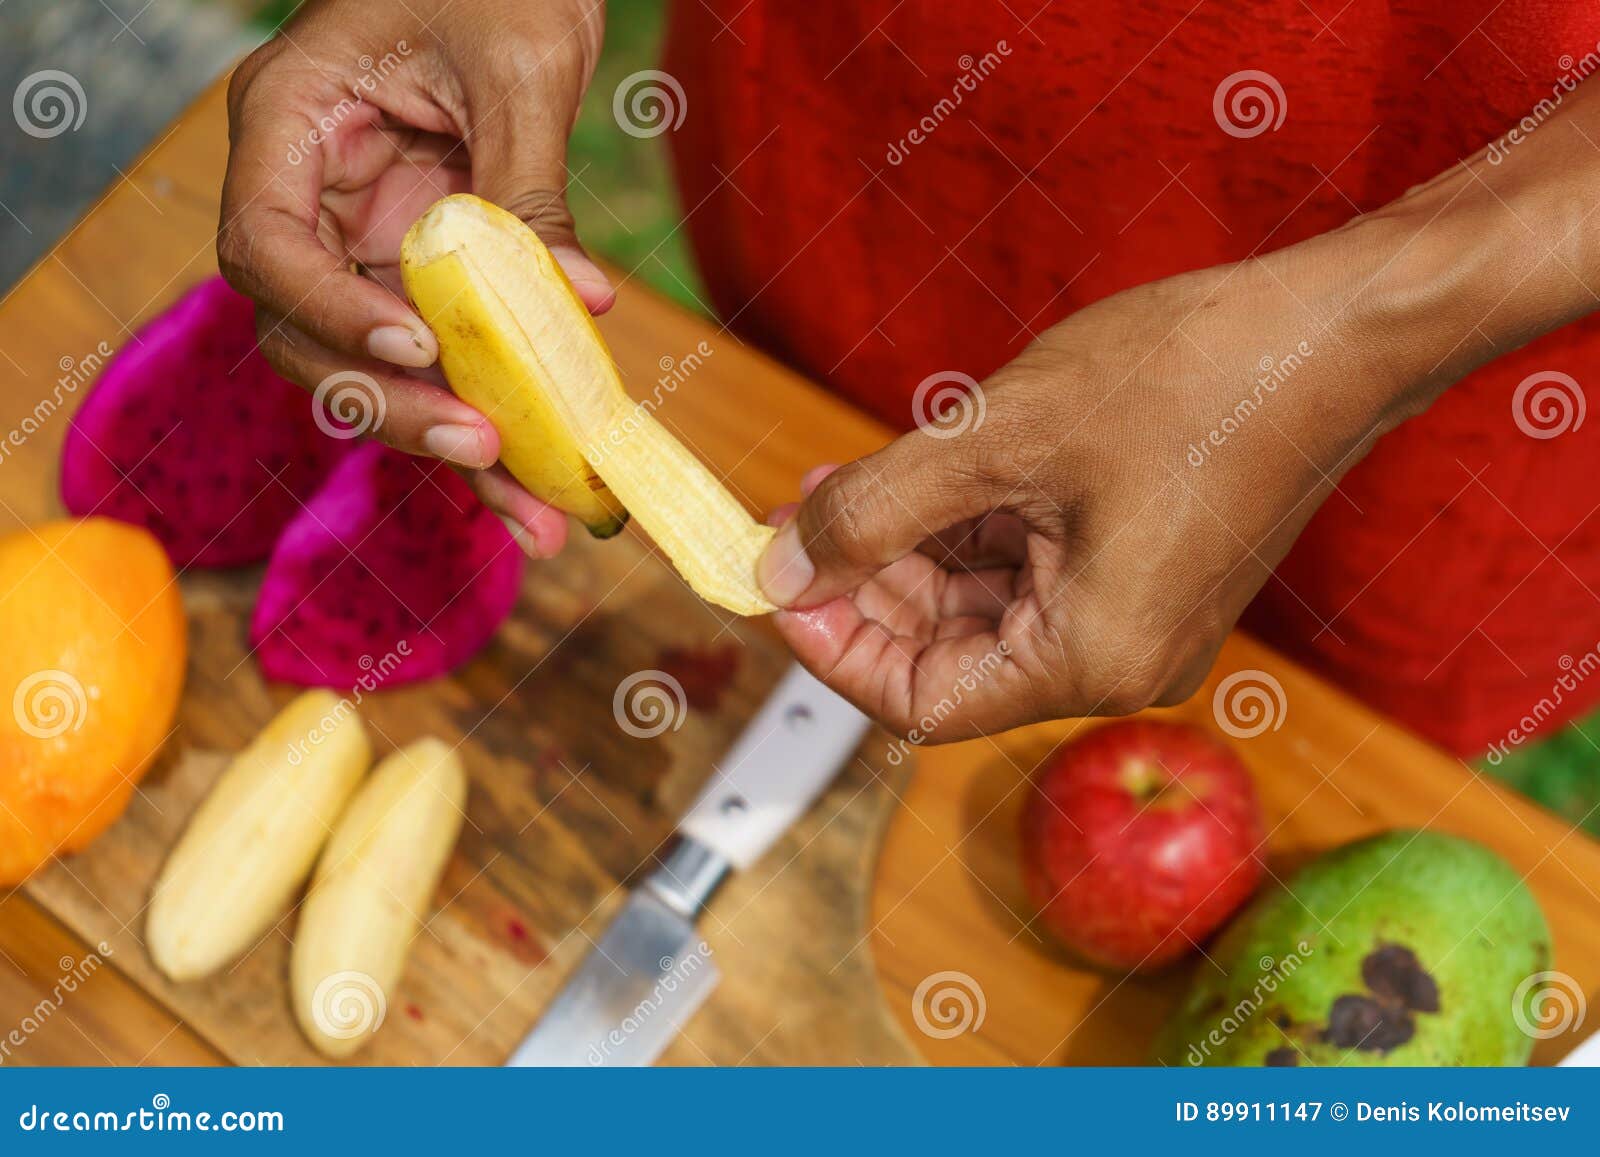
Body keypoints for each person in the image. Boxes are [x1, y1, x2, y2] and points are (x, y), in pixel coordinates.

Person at [218, 0, 1600, 760]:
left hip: (1466, 308)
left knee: (1317, 758)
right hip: (877, 129)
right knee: (842, 438)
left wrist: (1355, 338)